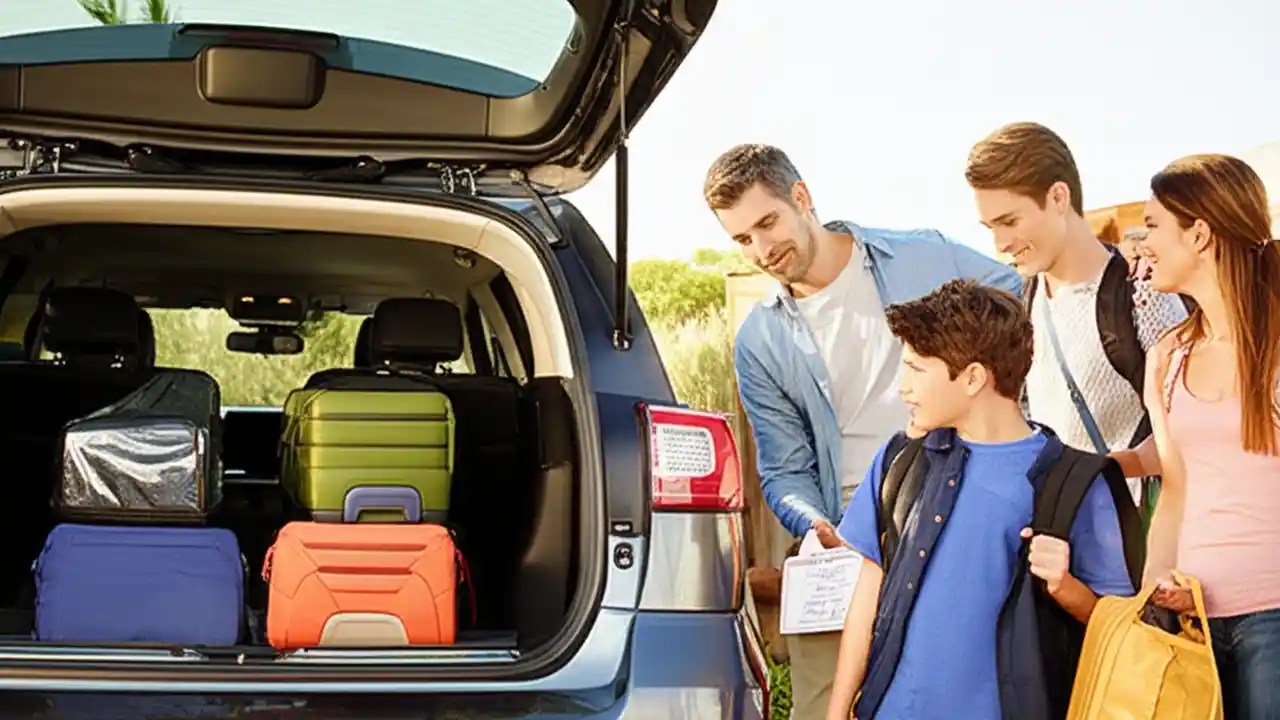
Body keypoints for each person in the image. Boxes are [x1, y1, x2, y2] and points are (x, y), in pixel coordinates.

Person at [704, 143, 1020, 719]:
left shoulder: (925, 257)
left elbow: (1023, 306)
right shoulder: (760, 341)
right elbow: (783, 469)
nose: (761, 250)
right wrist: (818, 525)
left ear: (801, 198)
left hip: (960, 506)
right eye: (742, 239)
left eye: (767, 223)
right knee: (823, 706)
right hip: (845, 531)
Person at [825, 279, 1137, 720]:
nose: (902, 386)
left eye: (916, 369)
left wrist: (1065, 588)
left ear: (972, 377)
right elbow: (867, 596)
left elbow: (1118, 628)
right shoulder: (900, 461)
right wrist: (837, 712)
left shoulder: (1074, 482)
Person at [1110, 153, 1280, 719]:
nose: (1140, 241)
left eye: (1153, 224)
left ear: (1200, 233)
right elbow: (1177, 491)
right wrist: (1157, 584)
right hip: (1193, 628)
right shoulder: (1168, 358)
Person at [965, 122, 1187, 518]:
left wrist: (1102, 472)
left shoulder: (1142, 291)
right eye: (991, 228)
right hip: (1065, 543)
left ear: (1058, 196)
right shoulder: (1023, 304)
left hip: (1140, 541)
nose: (999, 244)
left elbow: (1191, 432)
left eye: (1010, 222)